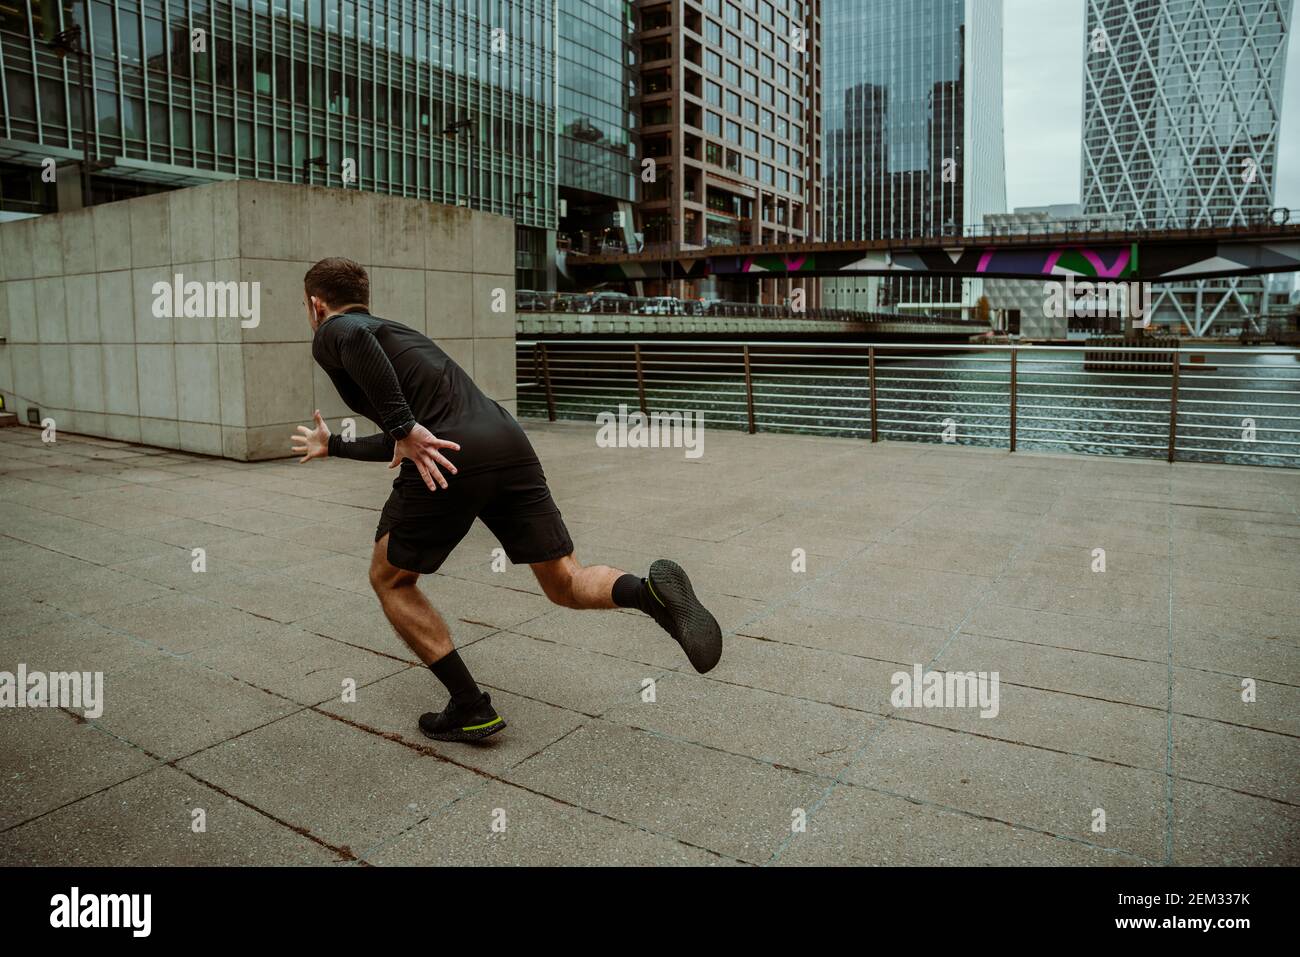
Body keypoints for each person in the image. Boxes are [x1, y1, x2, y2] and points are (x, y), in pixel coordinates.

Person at [290, 258, 722, 743]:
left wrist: (403, 426)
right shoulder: (399, 335)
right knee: (565, 582)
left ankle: (470, 707)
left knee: (390, 579)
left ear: (315, 303)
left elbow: (382, 386)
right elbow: (411, 442)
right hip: (504, 439)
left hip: (454, 454)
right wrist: (338, 444)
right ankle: (649, 593)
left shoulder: (336, 329)